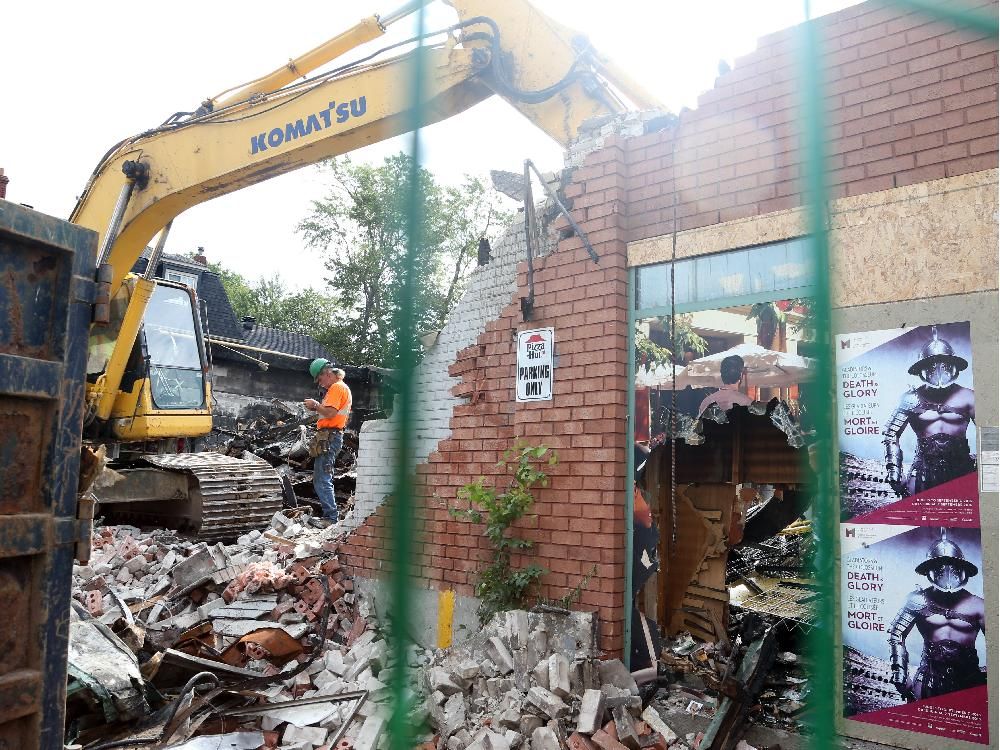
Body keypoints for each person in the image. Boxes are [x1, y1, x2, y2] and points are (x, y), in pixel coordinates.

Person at [887, 529, 986, 701]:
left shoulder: (978, 605)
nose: (947, 572)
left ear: (962, 569)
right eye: (940, 566)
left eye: (952, 566)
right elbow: (896, 634)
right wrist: (900, 674)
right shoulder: (917, 600)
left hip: (969, 680)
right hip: (927, 678)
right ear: (929, 570)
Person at [881, 326, 976, 497]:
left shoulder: (969, 397)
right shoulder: (910, 398)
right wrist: (894, 471)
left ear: (953, 365)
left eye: (944, 365)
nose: (939, 371)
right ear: (922, 368)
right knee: (920, 520)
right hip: (923, 472)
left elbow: (991, 432)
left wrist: (989, 465)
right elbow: (890, 433)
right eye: (932, 366)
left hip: (962, 470)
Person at [304, 359, 352, 524]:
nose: (320, 383)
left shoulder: (337, 388)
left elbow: (330, 414)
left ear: (327, 373)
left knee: (322, 478)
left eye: (320, 379)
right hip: (330, 436)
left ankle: (331, 517)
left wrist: (315, 405)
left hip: (330, 436)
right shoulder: (339, 387)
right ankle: (330, 516)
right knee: (322, 477)